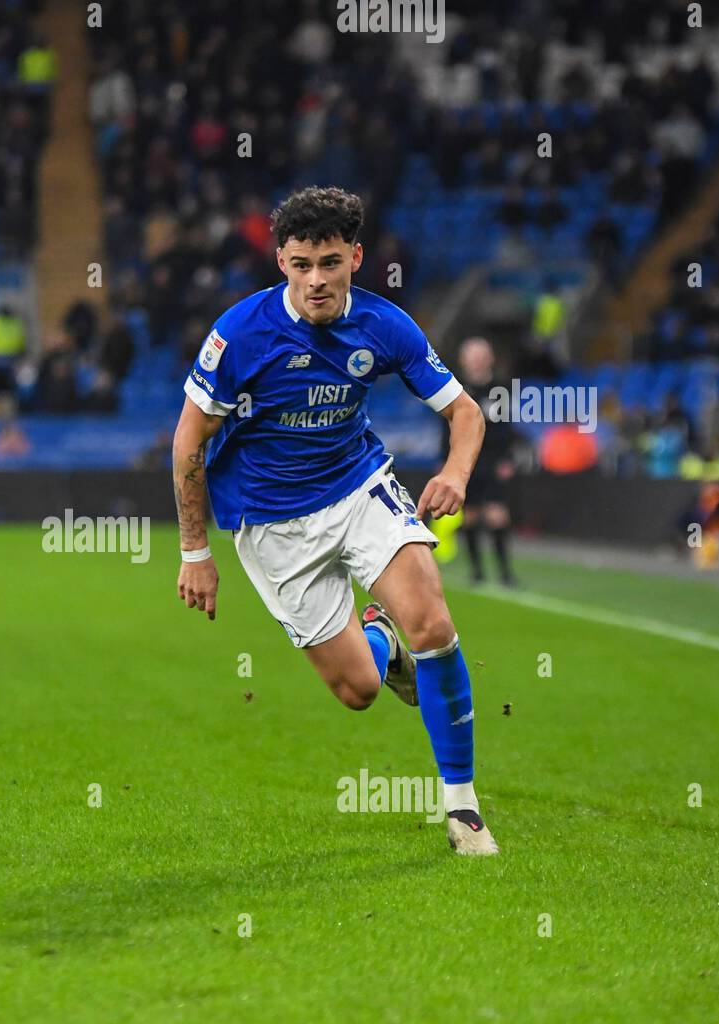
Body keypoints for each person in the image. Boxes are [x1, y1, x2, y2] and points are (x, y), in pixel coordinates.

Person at [172, 186, 498, 856]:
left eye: (327, 262)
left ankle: (463, 809)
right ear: (280, 262)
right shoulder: (240, 335)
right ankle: (379, 640)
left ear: (354, 257)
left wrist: (454, 474)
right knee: (359, 691)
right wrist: (195, 550)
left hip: (358, 488)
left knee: (434, 622)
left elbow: (466, 413)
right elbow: (187, 443)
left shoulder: (385, 326)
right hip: (269, 522)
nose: (314, 280)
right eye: (299, 265)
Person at [450, 337, 519, 586]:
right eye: (472, 356)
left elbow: (507, 427)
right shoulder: (455, 389)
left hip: (492, 460)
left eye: (481, 356)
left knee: (497, 515)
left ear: (489, 359)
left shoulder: (500, 388)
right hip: (466, 460)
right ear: (464, 361)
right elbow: (445, 426)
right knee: (469, 516)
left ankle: (505, 573)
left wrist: (507, 458)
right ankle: (477, 571)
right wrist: (444, 460)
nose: (477, 361)